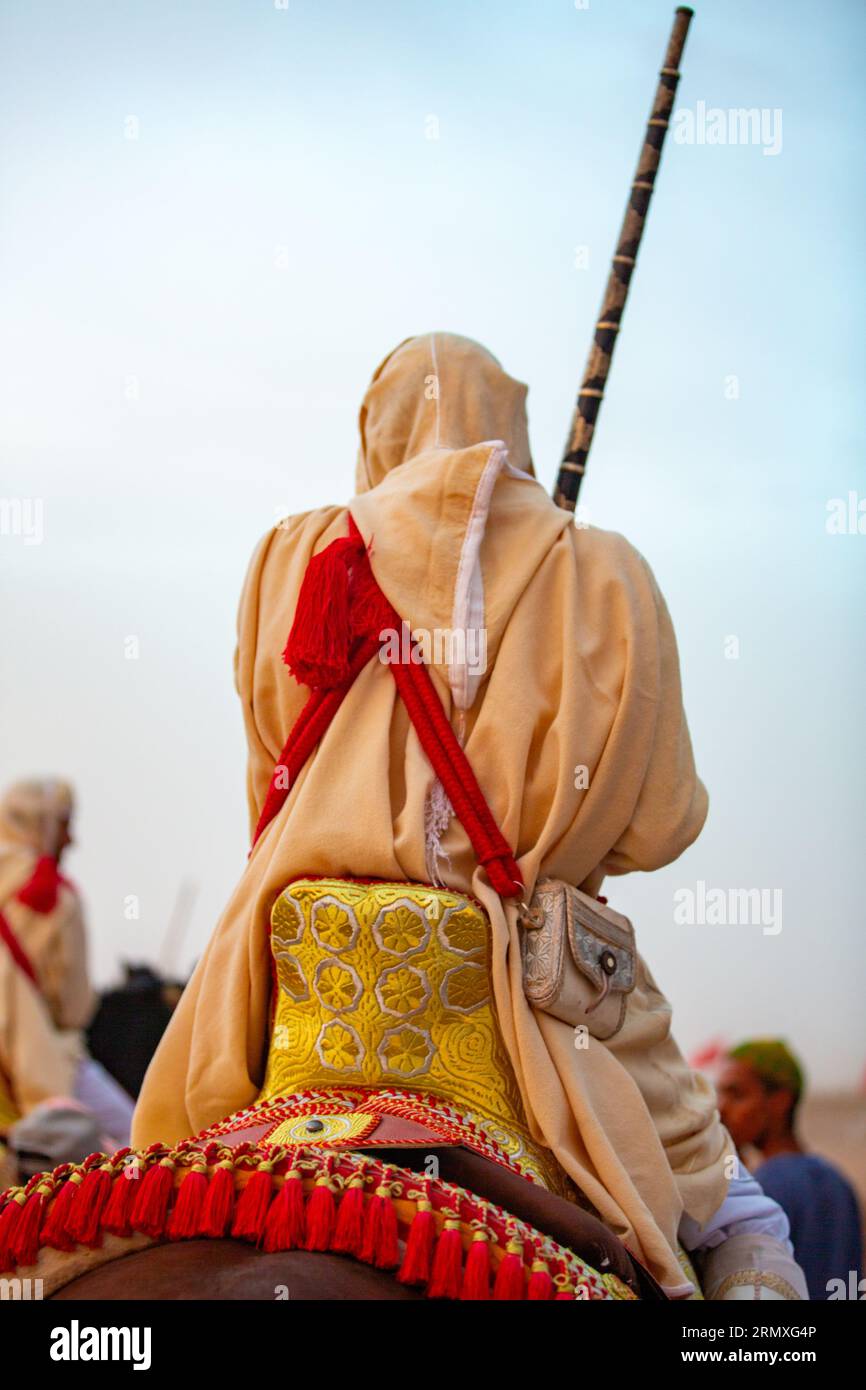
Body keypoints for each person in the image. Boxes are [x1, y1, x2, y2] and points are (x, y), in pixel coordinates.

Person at [133, 333, 804, 1298]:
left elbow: (268, 793)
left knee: (134, 1179)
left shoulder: (293, 555)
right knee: (746, 1225)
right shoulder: (600, 568)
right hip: (522, 1012)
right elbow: (658, 824)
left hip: (282, 993)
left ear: (374, 431)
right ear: (514, 428)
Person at [0, 778, 134, 1148]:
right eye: (63, 826)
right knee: (141, 1143)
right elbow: (72, 1008)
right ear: (40, 822)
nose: (69, 840)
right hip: (40, 1055)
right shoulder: (52, 894)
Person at [718, 1039, 863, 1299]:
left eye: (736, 1095)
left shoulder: (761, 1191)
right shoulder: (838, 1180)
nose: (721, 1108)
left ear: (779, 1101)